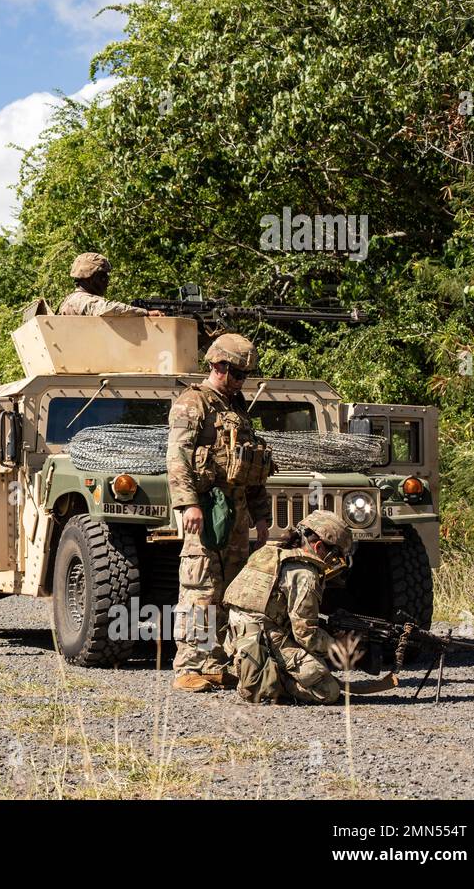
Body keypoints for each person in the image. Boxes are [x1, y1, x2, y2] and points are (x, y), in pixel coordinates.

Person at [165, 333, 274, 691]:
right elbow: (177, 457)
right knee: (200, 585)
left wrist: (261, 515)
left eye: (246, 375)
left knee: (232, 589)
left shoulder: (237, 407)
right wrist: (188, 504)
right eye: (239, 374)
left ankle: (217, 661)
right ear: (219, 366)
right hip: (207, 509)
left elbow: (250, 465)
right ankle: (189, 665)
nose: (243, 381)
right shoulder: (192, 403)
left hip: (238, 514)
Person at [224, 510, 353, 704]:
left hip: (238, 637)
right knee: (328, 691)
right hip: (262, 638)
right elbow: (305, 634)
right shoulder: (304, 574)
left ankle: (252, 671)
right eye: (334, 556)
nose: (333, 563)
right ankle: (268, 683)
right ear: (319, 547)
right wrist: (337, 647)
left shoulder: (269, 552)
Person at [57, 253, 164, 317]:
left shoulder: (73, 299)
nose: (107, 281)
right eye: (103, 277)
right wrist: (145, 313)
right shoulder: (81, 300)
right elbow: (106, 308)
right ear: (89, 278)